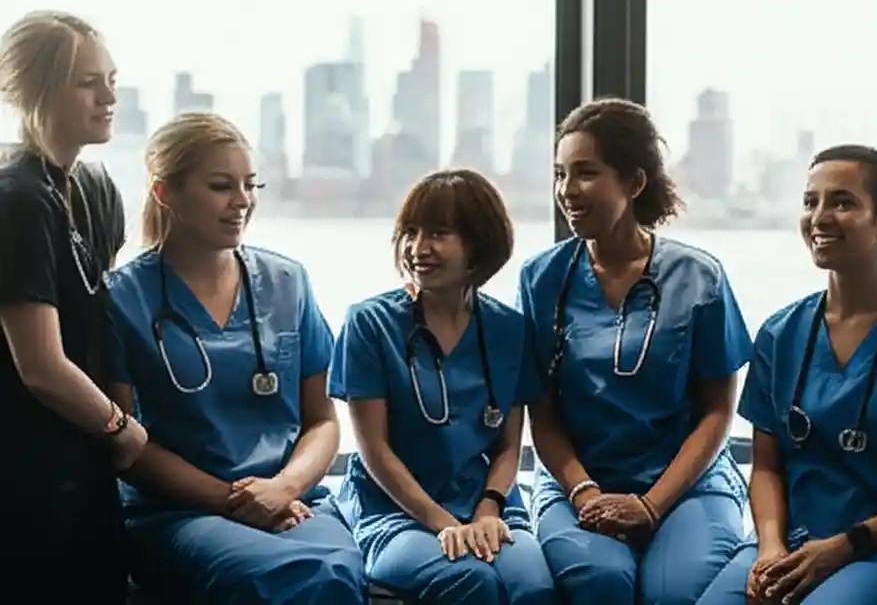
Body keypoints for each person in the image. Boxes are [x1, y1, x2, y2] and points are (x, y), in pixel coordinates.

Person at [697, 145, 877, 605]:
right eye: (810, 201)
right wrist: (771, 546)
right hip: (793, 541)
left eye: (842, 202)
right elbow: (768, 466)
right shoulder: (781, 333)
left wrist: (847, 544)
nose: (819, 217)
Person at [103, 113, 365, 604]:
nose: (242, 201)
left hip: (293, 502)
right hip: (181, 512)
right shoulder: (123, 299)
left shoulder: (289, 283)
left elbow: (322, 420)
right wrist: (235, 500)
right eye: (221, 186)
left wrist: (284, 487)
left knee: (336, 569)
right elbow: (127, 447)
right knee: (275, 576)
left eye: (251, 184)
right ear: (165, 193)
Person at [519, 98, 752, 604]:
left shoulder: (698, 277)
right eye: (560, 174)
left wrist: (651, 504)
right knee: (600, 580)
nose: (567, 191)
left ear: (634, 183)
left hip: (687, 484)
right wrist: (584, 491)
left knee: (677, 591)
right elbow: (543, 411)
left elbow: (717, 413)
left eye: (586, 173)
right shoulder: (542, 280)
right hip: (578, 483)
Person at [329, 170, 558, 604]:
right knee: (472, 581)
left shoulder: (509, 330)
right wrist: (444, 523)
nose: (418, 248)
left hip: (484, 504)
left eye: (439, 233)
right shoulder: (370, 324)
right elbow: (374, 451)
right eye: (410, 233)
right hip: (393, 511)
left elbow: (509, 445)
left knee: (534, 587)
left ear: (478, 245)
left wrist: (488, 508)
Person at [0, 11, 147, 601]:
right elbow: (41, 365)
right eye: (88, 82)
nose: (110, 95)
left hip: (80, 461)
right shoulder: (18, 200)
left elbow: (102, 317)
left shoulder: (93, 188)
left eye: (111, 78)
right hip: (23, 468)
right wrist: (122, 429)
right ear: (37, 89)